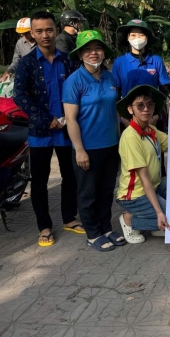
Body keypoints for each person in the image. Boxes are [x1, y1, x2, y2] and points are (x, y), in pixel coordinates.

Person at [13, 11, 81, 247]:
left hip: (67, 130)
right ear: (32, 34)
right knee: (40, 181)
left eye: (49, 30)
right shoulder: (27, 63)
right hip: (40, 132)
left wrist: (69, 117)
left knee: (70, 176)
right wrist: (44, 119)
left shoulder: (69, 60)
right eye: (39, 31)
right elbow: (20, 95)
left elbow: (78, 90)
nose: (45, 35)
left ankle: (69, 218)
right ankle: (44, 226)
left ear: (56, 31)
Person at [62, 30, 124, 252]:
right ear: (80, 55)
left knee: (107, 190)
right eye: (87, 49)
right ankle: (93, 233)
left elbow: (115, 112)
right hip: (87, 147)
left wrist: (120, 141)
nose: (93, 53)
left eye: (98, 48)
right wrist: (79, 149)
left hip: (110, 144)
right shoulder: (74, 81)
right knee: (88, 193)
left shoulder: (110, 77)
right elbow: (70, 119)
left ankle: (106, 228)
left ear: (104, 52)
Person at [116, 84, 170, 244]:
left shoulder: (151, 130)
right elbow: (144, 178)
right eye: (140, 105)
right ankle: (129, 220)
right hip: (135, 195)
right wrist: (159, 212)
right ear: (130, 110)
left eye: (150, 104)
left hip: (154, 186)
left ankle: (155, 220)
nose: (146, 109)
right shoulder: (130, 137)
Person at [112, 19, 170, 97]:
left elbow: (164, 87)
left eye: (141, 35)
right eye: (133, 35)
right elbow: (116, 90)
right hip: (128, 104)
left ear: (147, 38)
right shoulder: (119, 62)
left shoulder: (157, 61)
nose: (137, 38)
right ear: (127, 37)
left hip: (151, 104)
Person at [1, 18, 36, 82]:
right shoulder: (20, 43)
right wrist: (9, 71)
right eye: (22, 34)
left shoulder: (42, 42)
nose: (24, 36)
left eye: (26, 33)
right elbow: (16, 61)